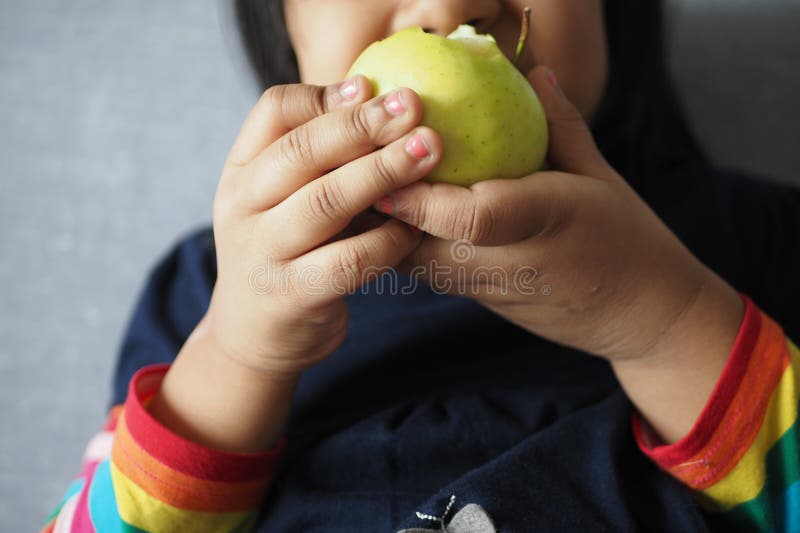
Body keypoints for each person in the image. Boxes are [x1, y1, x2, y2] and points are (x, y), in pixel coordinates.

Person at [42, 1, 800, 532]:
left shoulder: (751, 236)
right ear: (283, 21)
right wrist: (239, 353)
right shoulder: (214, 286)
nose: (449, 9)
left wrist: (662, 321)